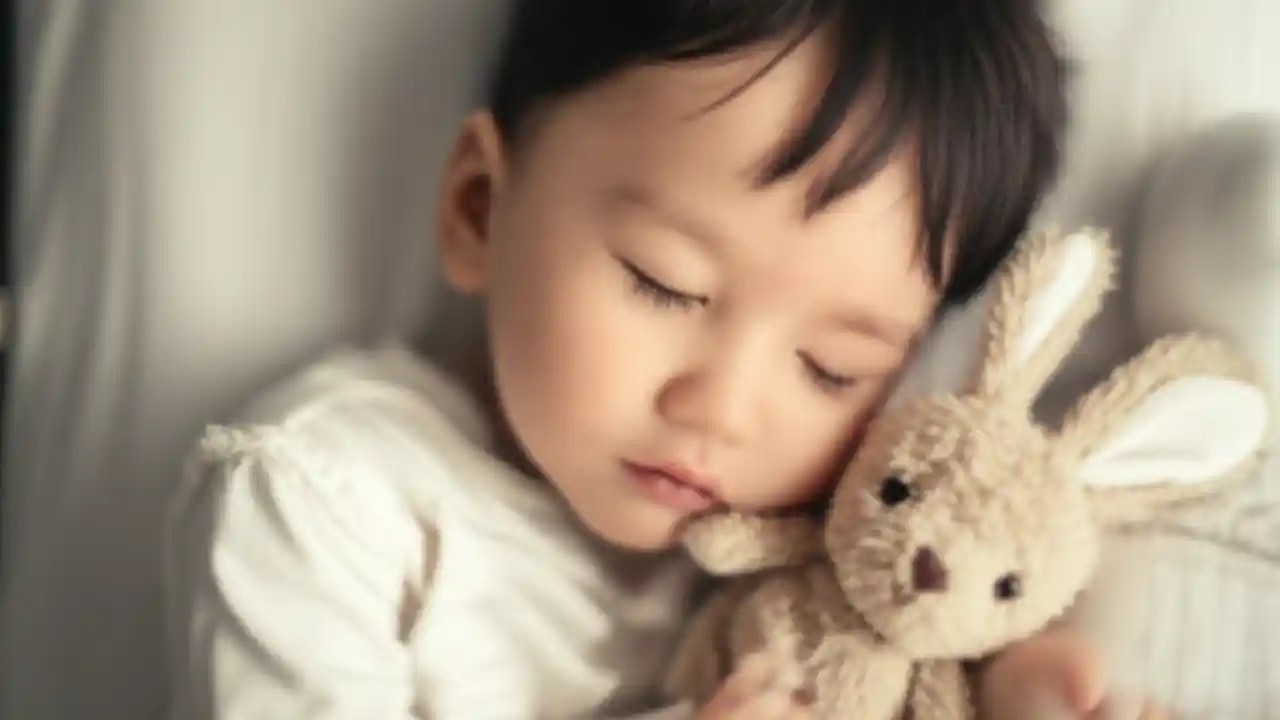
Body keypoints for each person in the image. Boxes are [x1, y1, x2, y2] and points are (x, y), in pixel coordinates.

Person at [166, 1, 1152, 717]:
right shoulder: (321, 495)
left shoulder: (820, 541)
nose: (722, 409)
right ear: (478, 207)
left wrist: (998, 688)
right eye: (664, 283)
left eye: (830, 368)